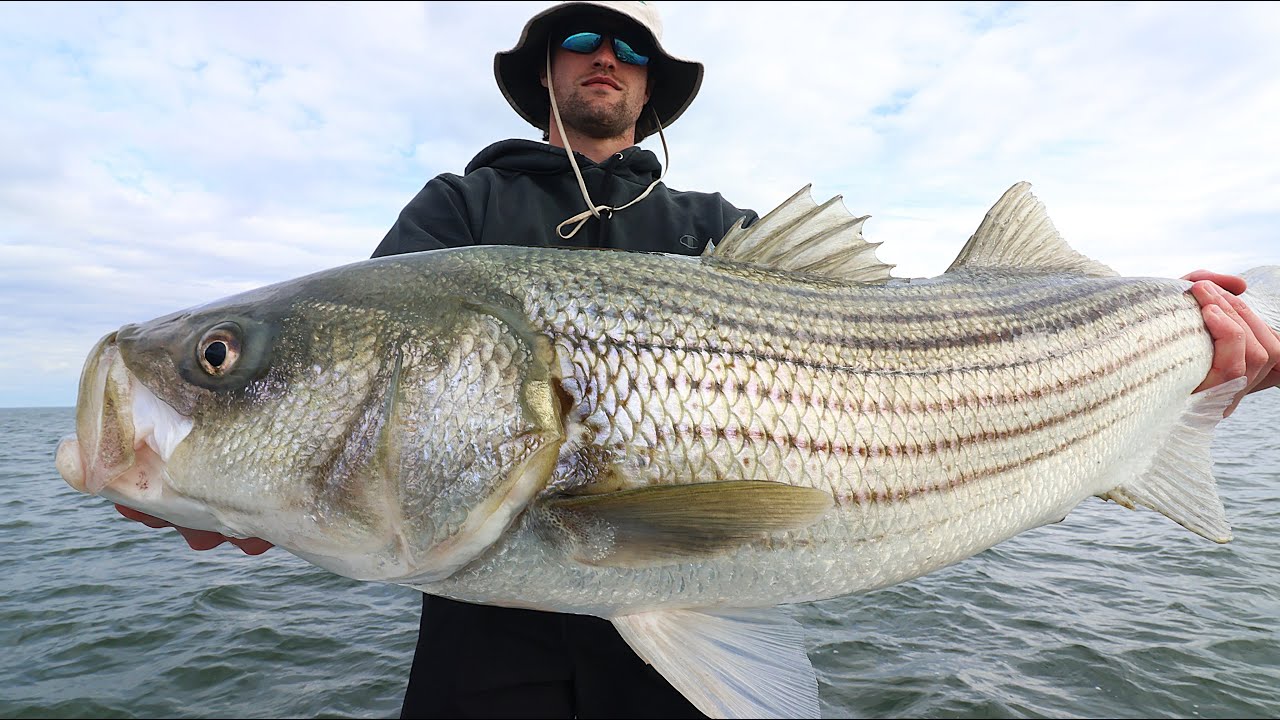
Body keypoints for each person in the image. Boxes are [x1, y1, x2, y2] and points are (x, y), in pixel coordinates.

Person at [115, 1, 1280, 718]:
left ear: (652, 83)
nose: (600, 56)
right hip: (486, 648)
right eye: (576, 40)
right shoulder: (458, 210)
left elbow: (905, 355)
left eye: (625, 45)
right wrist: (231, 475)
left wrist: (1205, 366)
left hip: (677, 659)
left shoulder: (718, 225)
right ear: (546, 74)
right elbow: (335, 411)